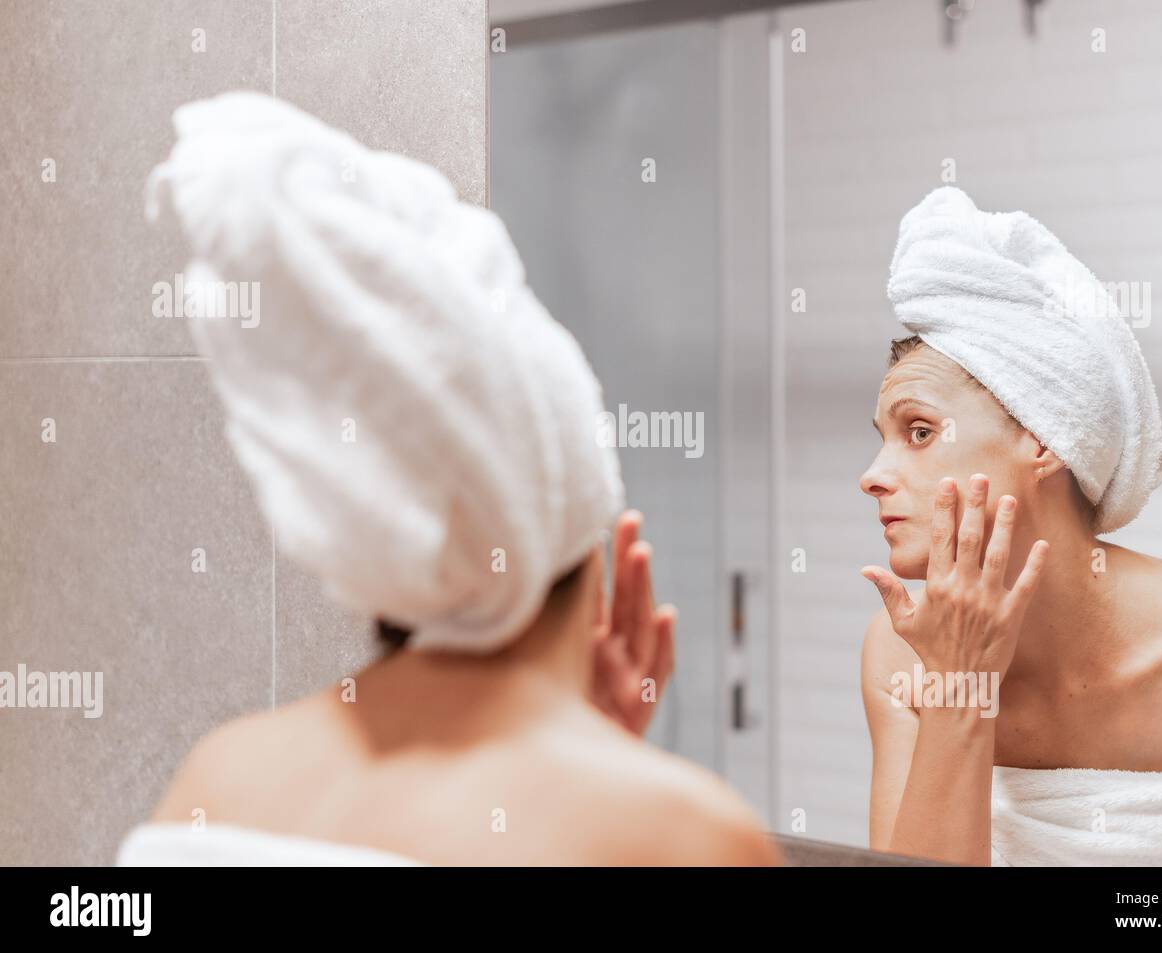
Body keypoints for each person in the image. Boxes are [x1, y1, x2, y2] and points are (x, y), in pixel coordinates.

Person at [117, 91, 780, 867]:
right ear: (584, 544)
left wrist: (581, 741)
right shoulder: (680, 835)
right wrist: (594, 757)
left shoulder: (217, 782)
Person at [858, 187, 1162, 867]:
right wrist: (960, 682)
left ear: (1044, 440)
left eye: (920, 430)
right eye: (884, 437)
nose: (873, 474)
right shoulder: (903, 650)